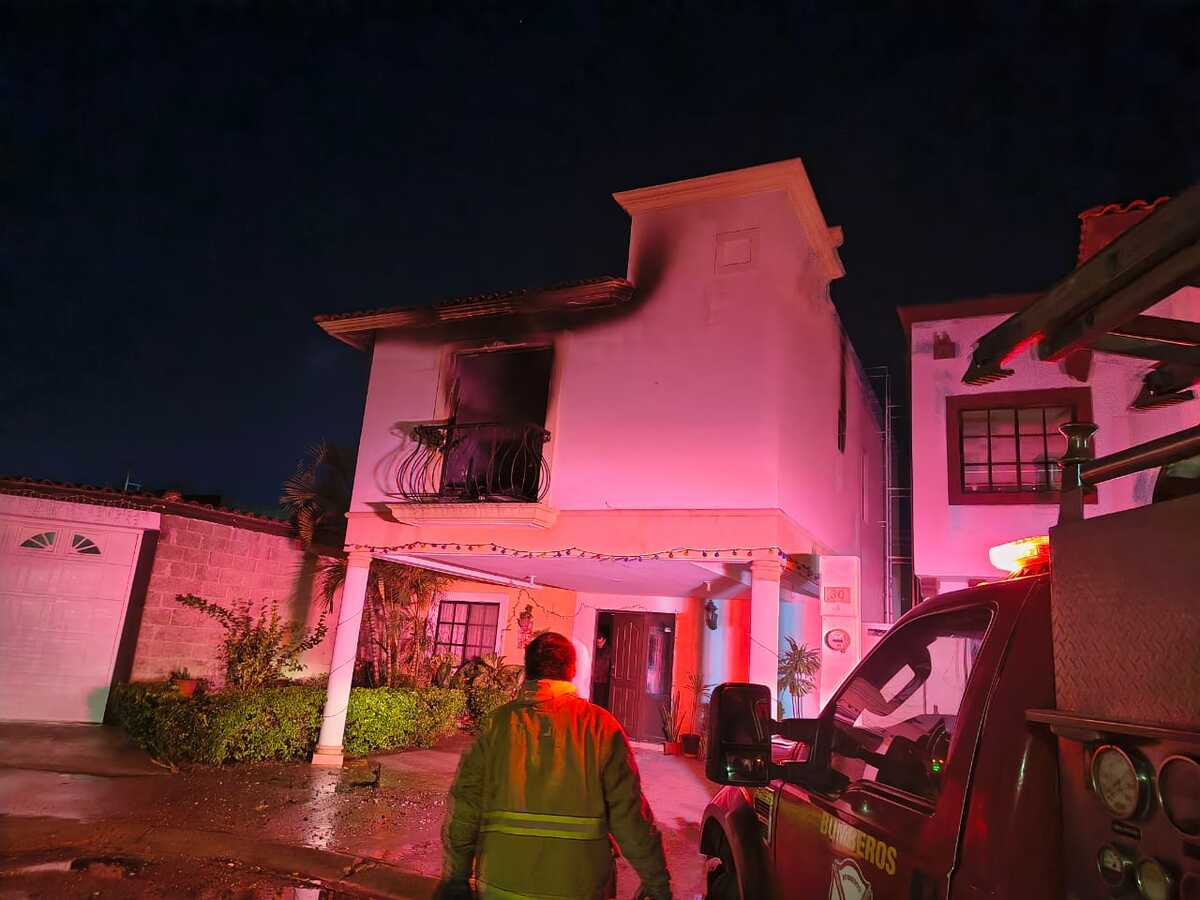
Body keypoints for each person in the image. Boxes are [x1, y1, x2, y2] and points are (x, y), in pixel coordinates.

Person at [438, 631, 672, 900]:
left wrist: (456, 877)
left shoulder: (496, 726)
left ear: (527, 670)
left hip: (501, 886)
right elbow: (631, 817)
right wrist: (656, 883)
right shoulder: (600, 727)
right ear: (572, 670)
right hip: (580, 888)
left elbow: (465, 808)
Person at [591, 629, 613, 710]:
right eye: (597, 643)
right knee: (594, 699)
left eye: (600, 642)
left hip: (603, 679)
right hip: (594, 678)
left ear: (604, 640)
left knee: (601, 700)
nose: (599, 644)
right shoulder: (594, 649)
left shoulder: (609, 651)